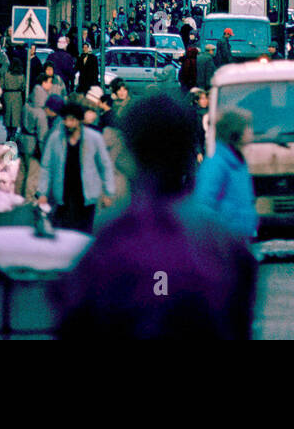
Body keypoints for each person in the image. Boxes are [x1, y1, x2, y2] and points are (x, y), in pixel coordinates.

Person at [51, 93, 258, 339]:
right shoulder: (226, 246)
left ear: (130, 154)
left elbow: (74, 322)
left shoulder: (107, 245)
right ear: (189, 154)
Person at [36, 103, 116, 234]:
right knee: (62, 232)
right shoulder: (55, 138)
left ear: (79, 121)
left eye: (72, 120)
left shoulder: (94, 138)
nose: (68, 123)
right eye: (65, 119)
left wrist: (108, 192)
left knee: (83, 233)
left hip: (86, 194)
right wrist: (42, 193)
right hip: (62, 193)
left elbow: (105, 165)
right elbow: (46, 166)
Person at [194, 107, 258, 242]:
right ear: (235, 131)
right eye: (247, 127)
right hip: (224, 240)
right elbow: (204, 202)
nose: (251, 131)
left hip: (240, 238)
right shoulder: (217, 164)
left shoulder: (238, 162)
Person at [15, 84, 50, 200]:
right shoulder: (41, 114)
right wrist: (43, 152)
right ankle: (29, 199)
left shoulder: (25, 106)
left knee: (21, 172)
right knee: (33, 175)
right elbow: (42, 136)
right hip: (33, 145)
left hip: (22, 142)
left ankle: (17, 195)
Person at [0, 58, 26, 139]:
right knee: (16, 116)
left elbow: (1, 85)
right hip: (17, 96)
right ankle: (13, 134)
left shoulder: (5, 74)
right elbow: (23, 87)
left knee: (8, 115)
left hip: (7, 95)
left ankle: (8, 133)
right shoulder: (21, 76)